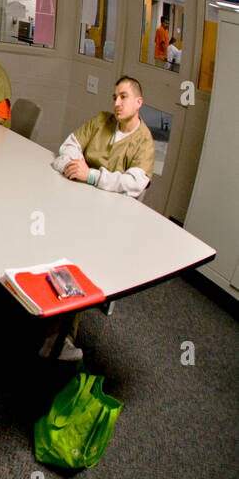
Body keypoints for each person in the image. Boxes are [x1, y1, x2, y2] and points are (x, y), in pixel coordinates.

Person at [43, 75, 156, 360]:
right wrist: (73, 164)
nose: (117, 103)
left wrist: (91, 175)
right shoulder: (102, 121)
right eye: (114, 97)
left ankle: (61, 336)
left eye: (123, 97)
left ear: (138, 102)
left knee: (73, 257)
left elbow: (134, 183)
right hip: (76, 200)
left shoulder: (144, 142)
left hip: (108, 219)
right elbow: (70, 144)